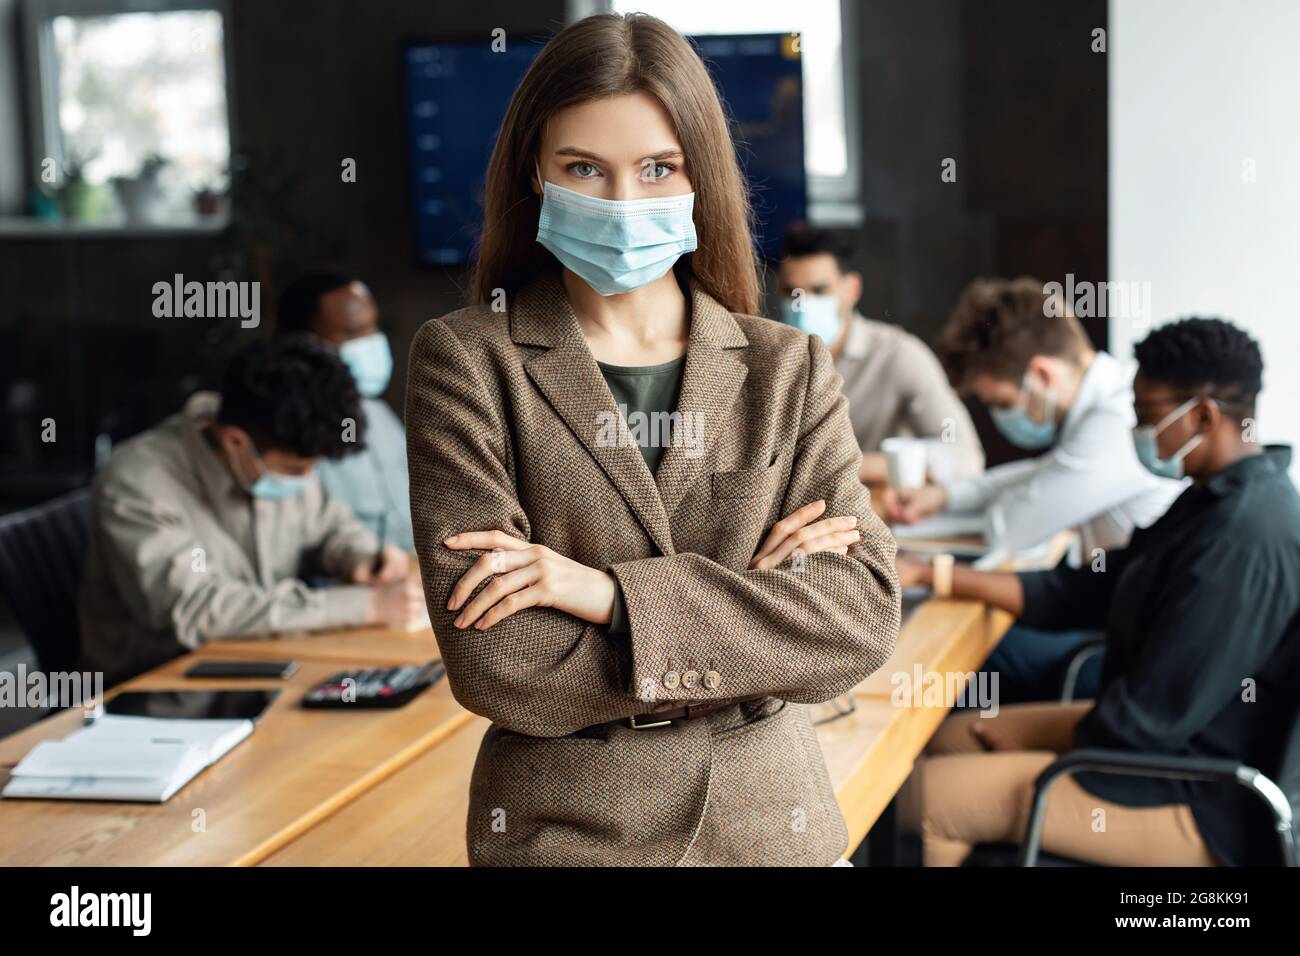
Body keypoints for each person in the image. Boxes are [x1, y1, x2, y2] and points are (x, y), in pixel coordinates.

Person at [405, 12, 900, 867]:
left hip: (773, 829)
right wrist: (754, 611)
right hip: (570, 837)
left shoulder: (788, 367)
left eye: (657, 168)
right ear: (536, 172)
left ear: (699, 176)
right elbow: (497, 662)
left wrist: (603, 596)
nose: (622, 203)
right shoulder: (465, 360)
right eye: (585, 169)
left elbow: (858, 620)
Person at [896, 317, 1300, 866]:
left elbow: (1153, 718)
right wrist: (932, 573)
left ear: (1203, 415)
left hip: (1195, 794)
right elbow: (1086, 591)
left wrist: (1052, 745)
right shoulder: (1206, 500)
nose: (1135, 426)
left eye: (1147, 415)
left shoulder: (1245, 536)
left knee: (922, 799)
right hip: (1149, 742)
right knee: (946, 741)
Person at [886, 277, 1182, 702]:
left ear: (1041, 374)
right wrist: (947, 496)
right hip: (1119, 620)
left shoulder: (1111, 425)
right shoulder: (1105, 399)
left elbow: (1012, 527)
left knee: (950, 663)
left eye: (1002, 404)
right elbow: (1040, 473)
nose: (1001, 417)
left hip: (1133, 661)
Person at [79, 336, 427, 687]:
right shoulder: (137, 483)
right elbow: (197, 610)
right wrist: (365, 606)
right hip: (162, 690)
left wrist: (359, 557)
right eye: (295, 471)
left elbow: (329, 524)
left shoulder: (277, 445)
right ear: (235, 443)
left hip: (268, 664)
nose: (305, 481)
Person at [776, 224, 984, 483]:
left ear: (851, 289)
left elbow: (965, 457)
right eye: (791, 292)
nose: (801, 305)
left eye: (819, 290)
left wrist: (845, 465)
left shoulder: (898, 354)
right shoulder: (770, 360)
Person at [276, 271, 414, 552]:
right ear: (307, 343)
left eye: (373, 326)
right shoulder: (292, 428)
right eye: (353, 333)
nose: (372, 341)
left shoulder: (379, 414)